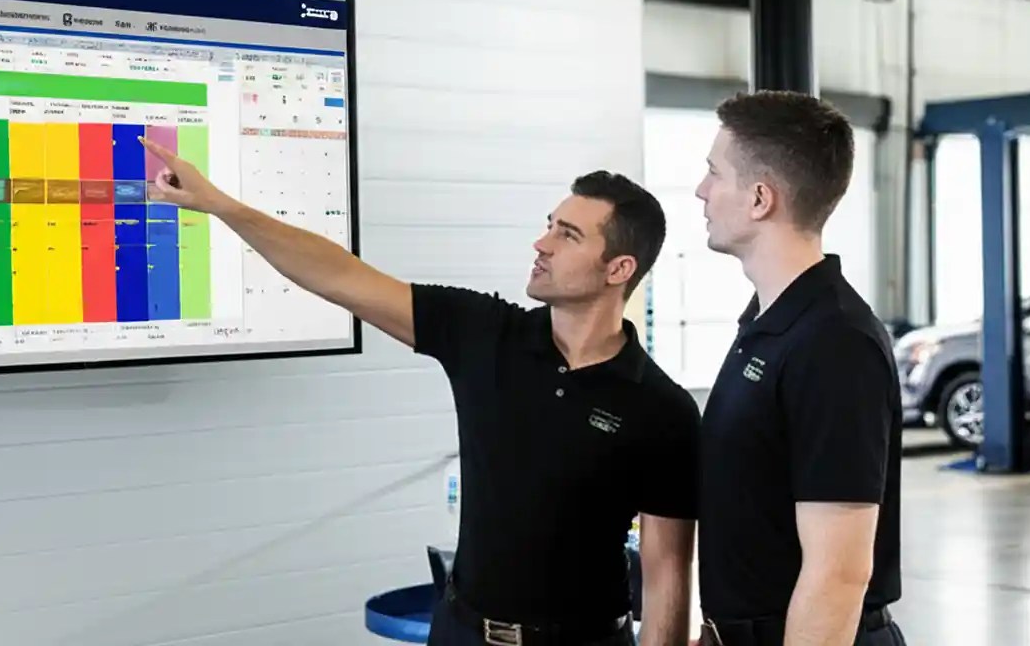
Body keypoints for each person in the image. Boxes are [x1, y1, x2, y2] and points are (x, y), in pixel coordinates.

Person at [139, 136, 701, 646]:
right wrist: (221, 206)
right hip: (460, 632)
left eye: (568, 235)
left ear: (618, 268)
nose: (542, 242)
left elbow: (667, 575)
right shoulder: (484, 332)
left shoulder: (662, 408)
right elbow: (338, 275)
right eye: (549, 224)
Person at [692, 91, 907, 646]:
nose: (702, 191)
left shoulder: (834, 342)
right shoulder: (769, 323)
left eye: (714, 173)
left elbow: (839, 574)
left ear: (761, 198)